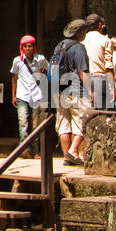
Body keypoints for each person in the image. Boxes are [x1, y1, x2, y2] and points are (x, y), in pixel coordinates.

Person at [50, 18, 92, 166]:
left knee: (63, 126)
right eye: (85, 31)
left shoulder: (59, 46)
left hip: (60, 91)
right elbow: (83, 72)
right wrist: (90, 90)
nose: (85, 33)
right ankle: (73, 152)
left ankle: (67, 157)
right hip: (76, 91)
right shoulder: (78, 48)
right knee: (84, 121)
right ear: (80, 32)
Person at [10, 35, 48, 155]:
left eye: (30, 46)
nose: (28, 49)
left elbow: (47, 70)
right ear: (22, 48)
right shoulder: (18, 61)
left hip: (36, 95)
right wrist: (13, 95)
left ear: (34, 47)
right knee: (23, 123)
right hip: (22, 95)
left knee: (36, 124)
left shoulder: (40, 59)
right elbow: (14, 78)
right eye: (25, 46)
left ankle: (36, 151)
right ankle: (24, 149)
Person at [84, 13, 113, 110]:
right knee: (102, 113)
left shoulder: (82, 40)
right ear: (100, 25)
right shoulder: (105, 40)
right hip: (99, 79)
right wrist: (112, 88)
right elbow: (108, 66)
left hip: (84, 78)